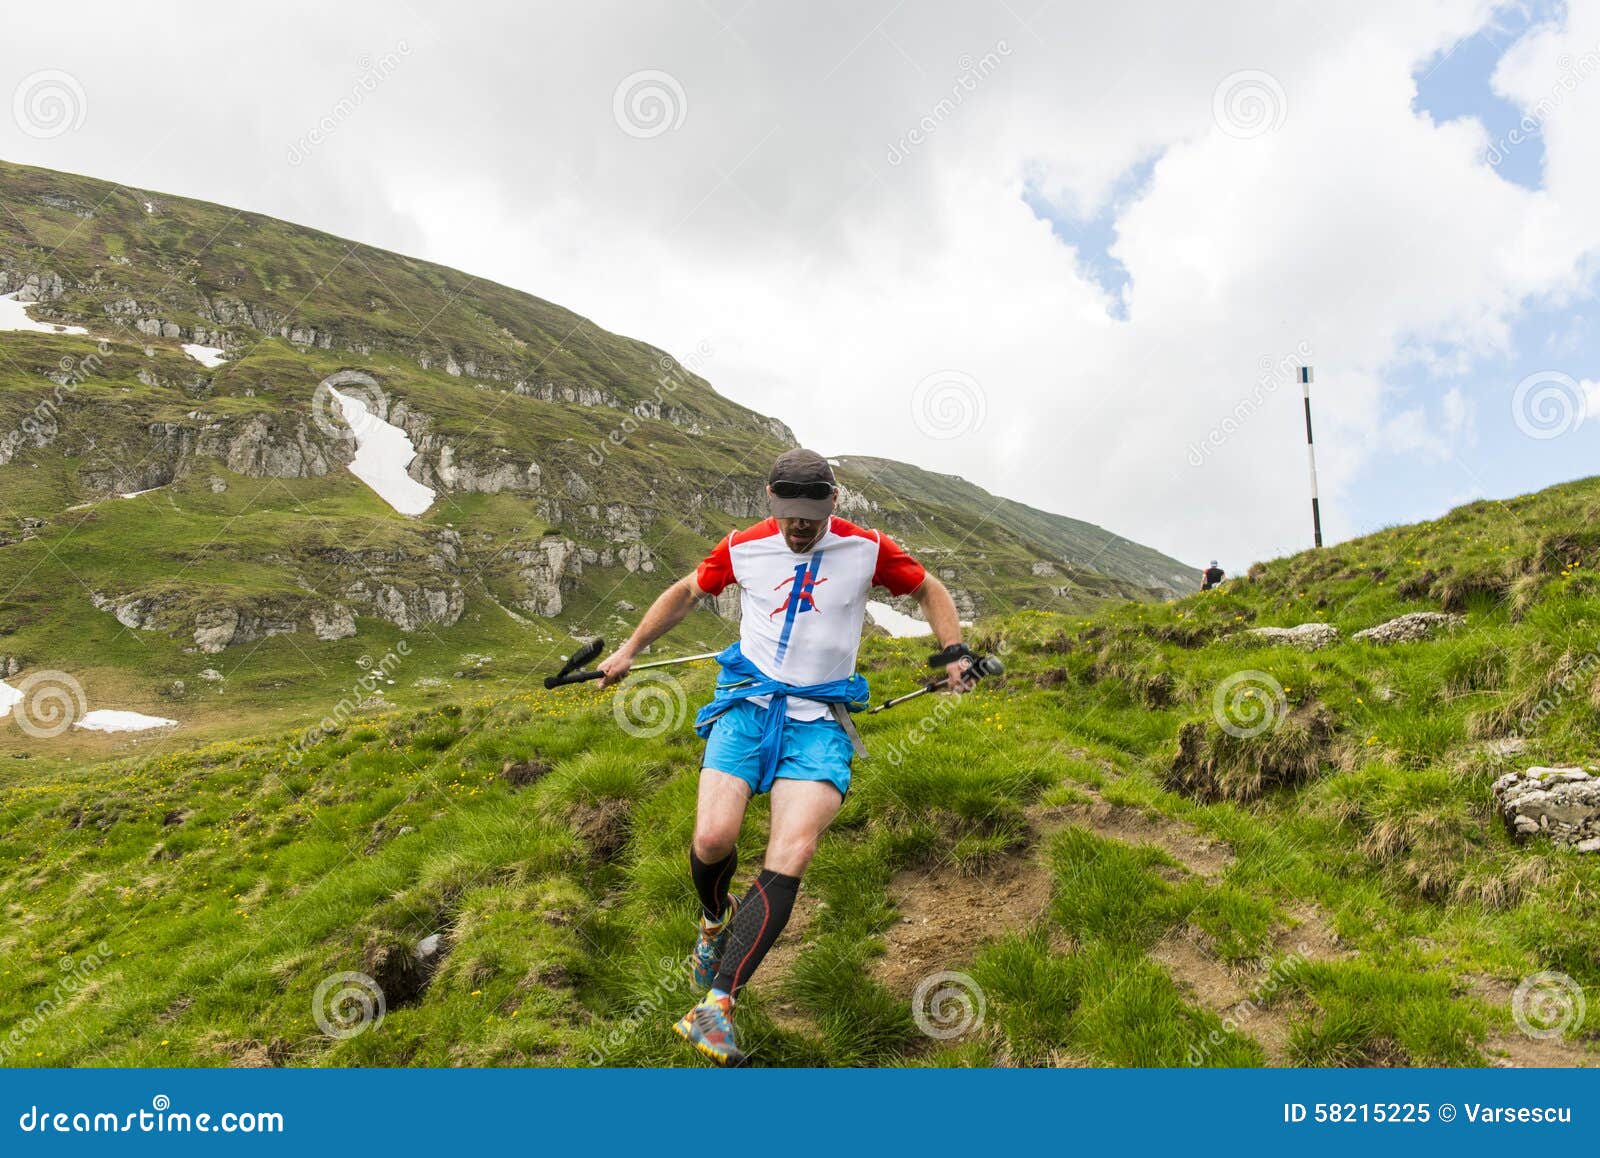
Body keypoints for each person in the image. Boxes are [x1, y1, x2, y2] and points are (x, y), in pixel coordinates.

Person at [596, 448, 975, 1065]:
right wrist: (629, 649)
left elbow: (928, 587)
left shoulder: (867, 547)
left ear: (833, 502)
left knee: (792, 849)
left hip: (820, 720)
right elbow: (689, 591)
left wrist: (953, 651)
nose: (801, 528)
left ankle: (716, 1006)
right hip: (747, 704)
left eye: (813, 516)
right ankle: (714, 921)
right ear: (770, 500)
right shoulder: (743, 546)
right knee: (714, 837)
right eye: (790, 516)